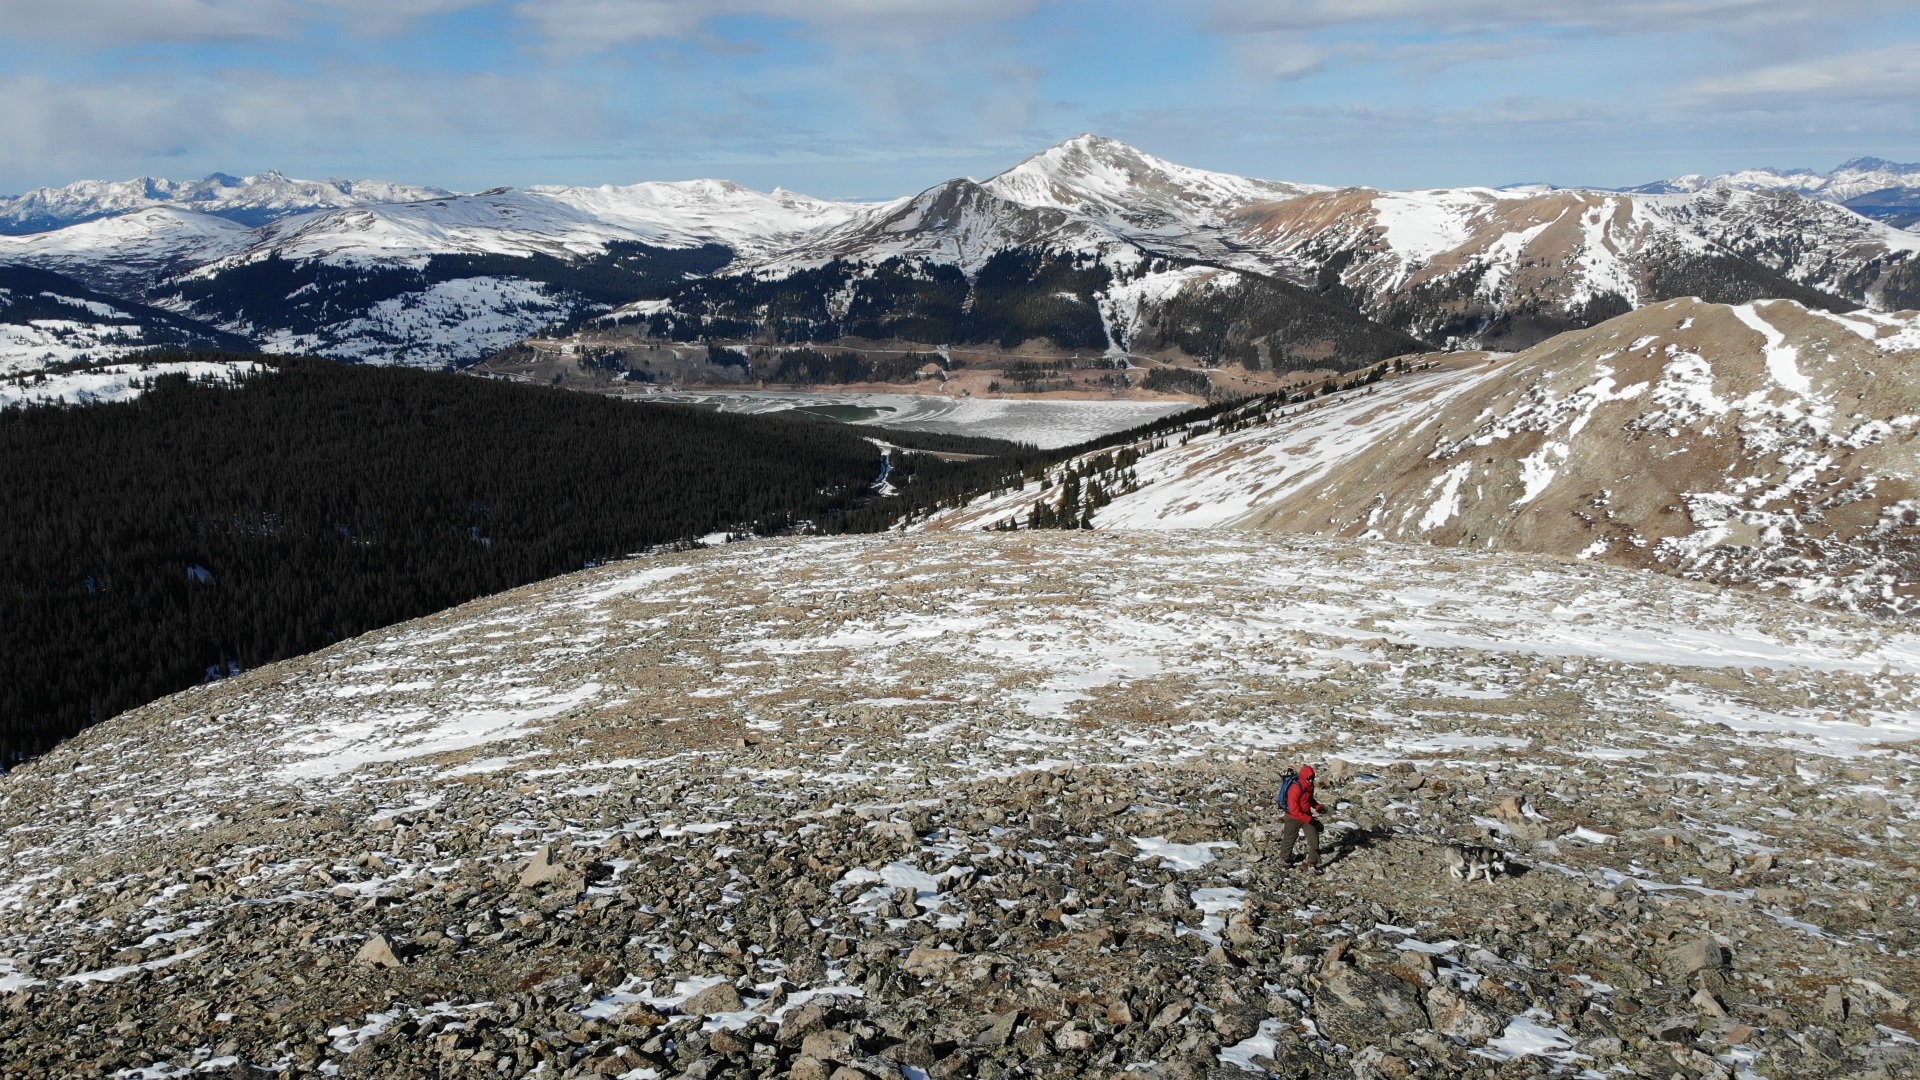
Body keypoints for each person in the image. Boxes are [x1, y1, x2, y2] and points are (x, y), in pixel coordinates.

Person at [1278, 764, 1325, 874]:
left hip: (1306, 815)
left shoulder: (1309, 786)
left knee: (1314, 838)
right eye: (1309, 778)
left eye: (1312, 778)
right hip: (1292, 817)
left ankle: (1312, 863)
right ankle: (1284, 860)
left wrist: (1317, 806)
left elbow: (1309, 799)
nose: (1311, 780)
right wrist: (1310, 820)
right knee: (1290, 838)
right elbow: (1294, 810)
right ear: (1304, 777)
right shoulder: (1295, 788)